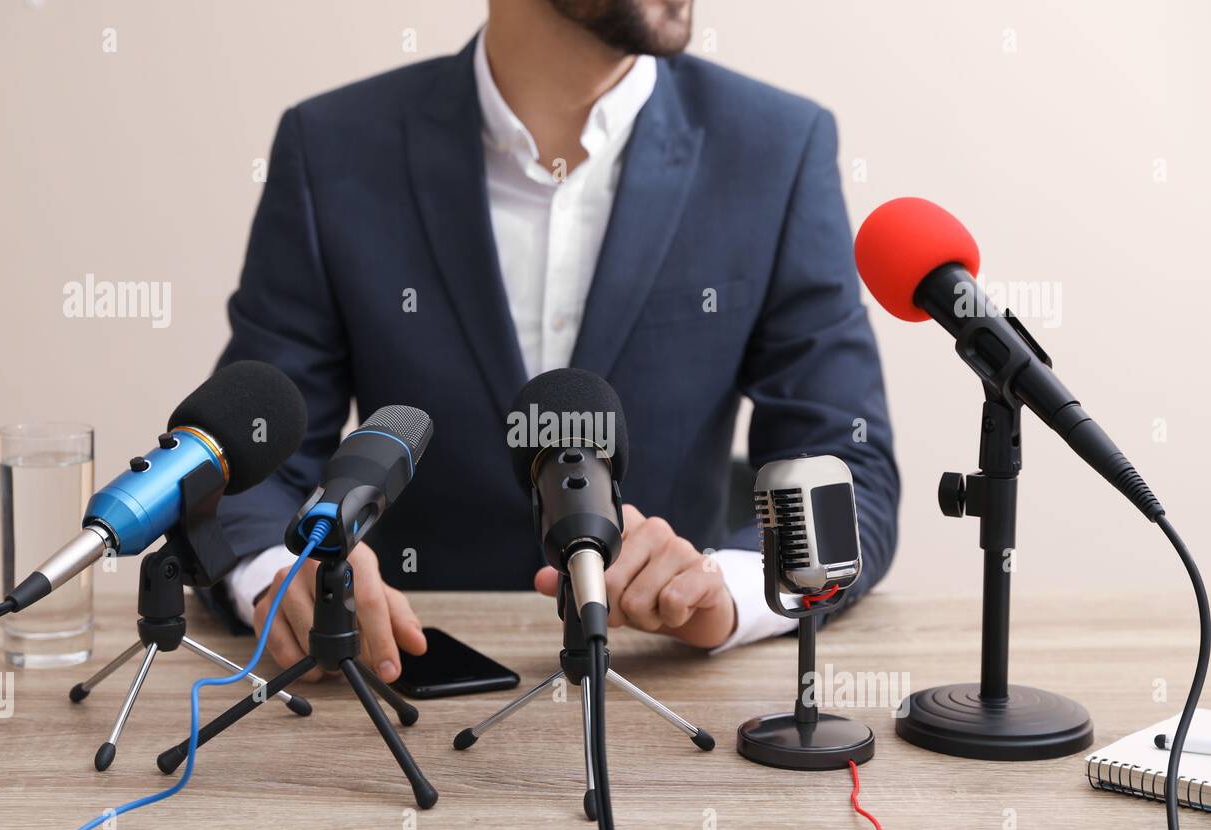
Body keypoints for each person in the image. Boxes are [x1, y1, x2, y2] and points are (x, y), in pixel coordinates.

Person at [214, 0, 899, 682]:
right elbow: (245, 454)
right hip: (404, 686)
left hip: (662, 694)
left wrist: (724, 590)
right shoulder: (333, 147)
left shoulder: (776, 148)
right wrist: (283, 573)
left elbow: (846, 467)